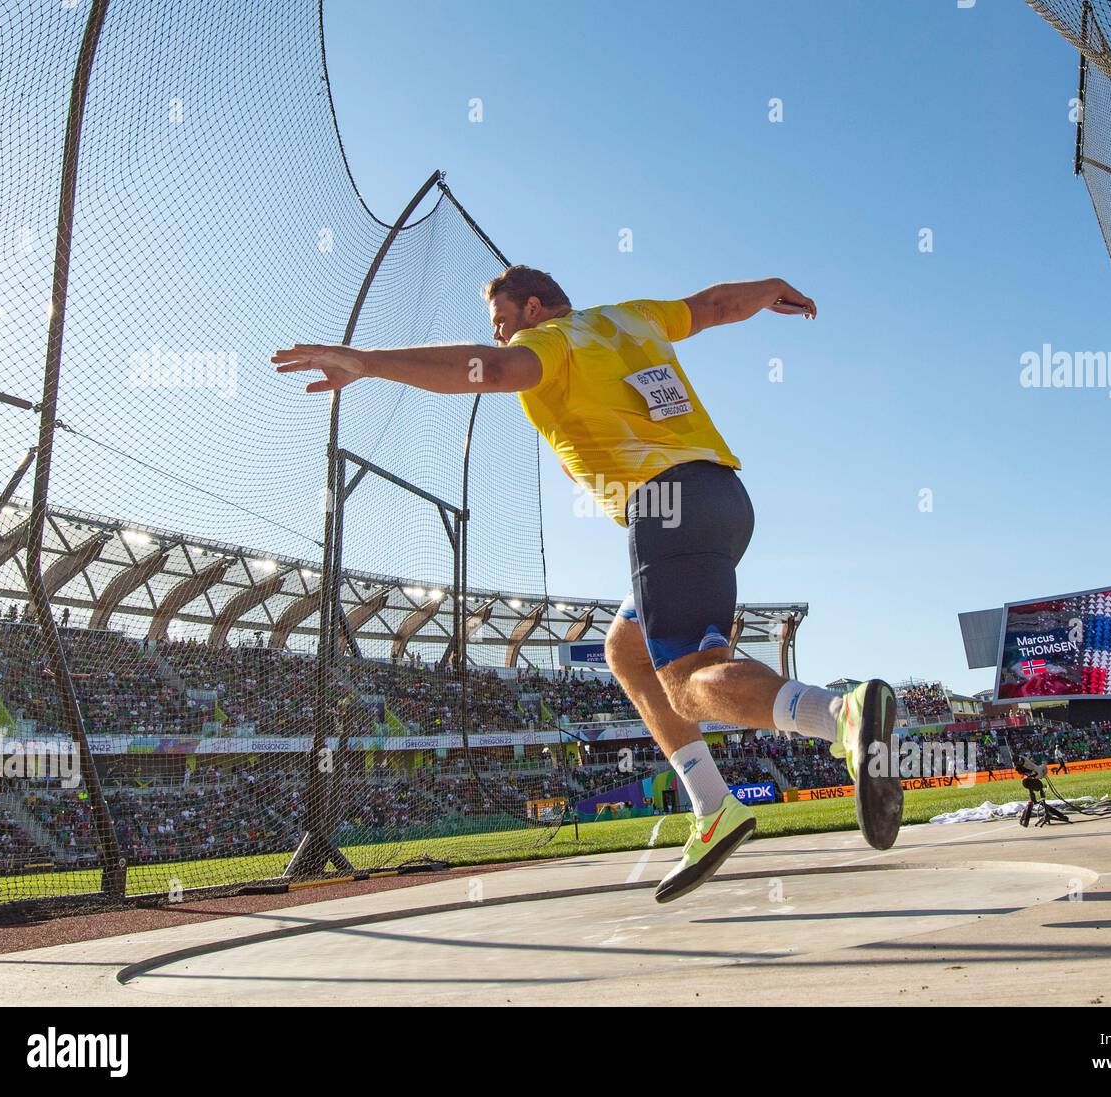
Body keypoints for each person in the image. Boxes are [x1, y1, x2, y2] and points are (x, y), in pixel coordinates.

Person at [275, 266, 902, 903]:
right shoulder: (633, 316)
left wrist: (368, 362)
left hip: (663, 504)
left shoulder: (546, 342)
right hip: (722, 496)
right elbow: (711, 305)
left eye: (500, 321)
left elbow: (490, 371)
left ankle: (840, 715)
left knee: (686, 684)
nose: (499, 334)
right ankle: (713, 805)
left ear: (532, 307)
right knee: (626, 649)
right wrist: (768, 287)